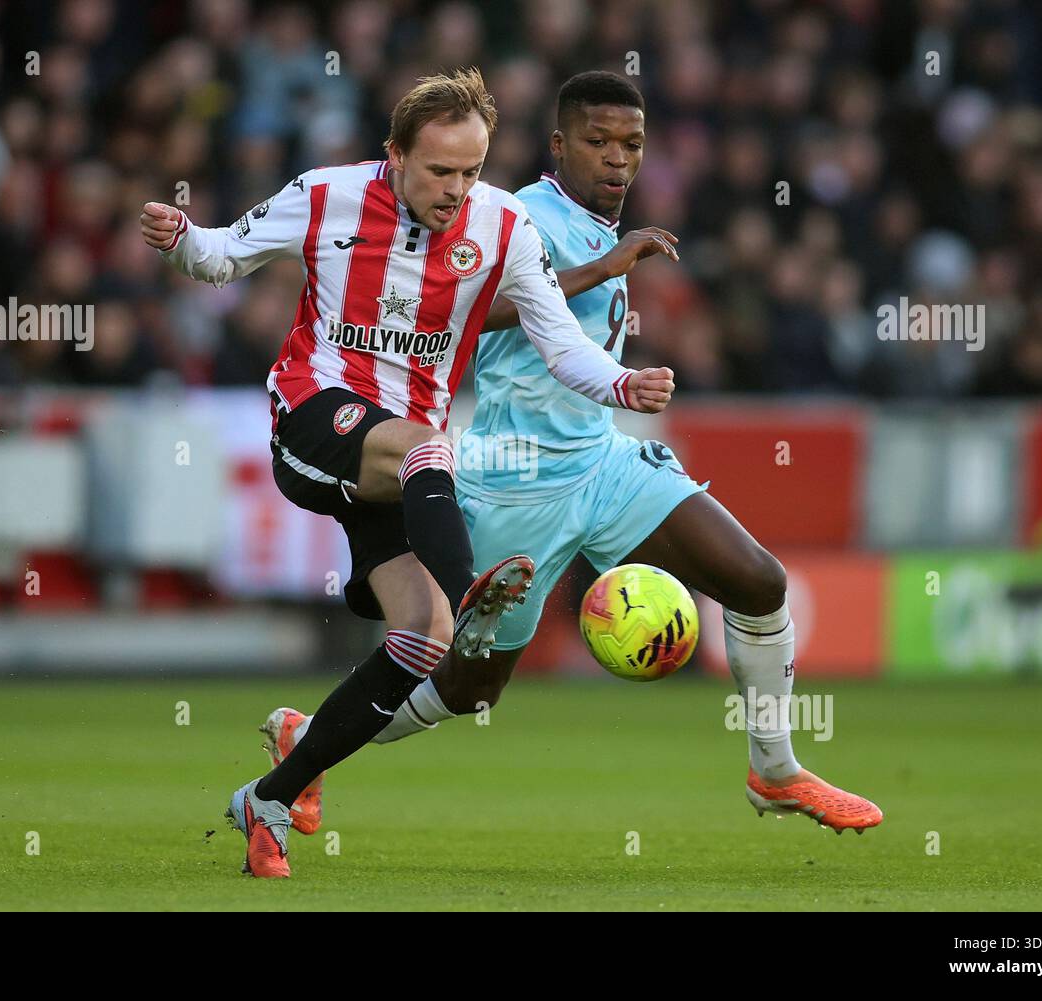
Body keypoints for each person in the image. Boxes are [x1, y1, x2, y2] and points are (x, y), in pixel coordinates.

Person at [270, 71, 882, 838]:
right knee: (467, 690)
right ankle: (308, 742)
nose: (616, 158)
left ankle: (776, 768)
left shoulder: (602, 225)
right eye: (597, 142)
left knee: (757, 580)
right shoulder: (515, 214)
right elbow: (461, 311)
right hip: (516, 478)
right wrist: (601, 268)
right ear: (559, 145)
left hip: (600, 460)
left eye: (631, 144)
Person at [140, 68, 676, 878]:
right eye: (439, 171)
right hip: (315, 419)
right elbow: (219, 260)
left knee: (419, 644)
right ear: (395, 155)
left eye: (471, 171)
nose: (457, 189)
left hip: (393, 462)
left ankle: (271, 797)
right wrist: (182, 237)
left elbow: (561, 340)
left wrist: (621, 385)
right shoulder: (327, 195)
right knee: (433, 451)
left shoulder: (503, 226)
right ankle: (473, 596)